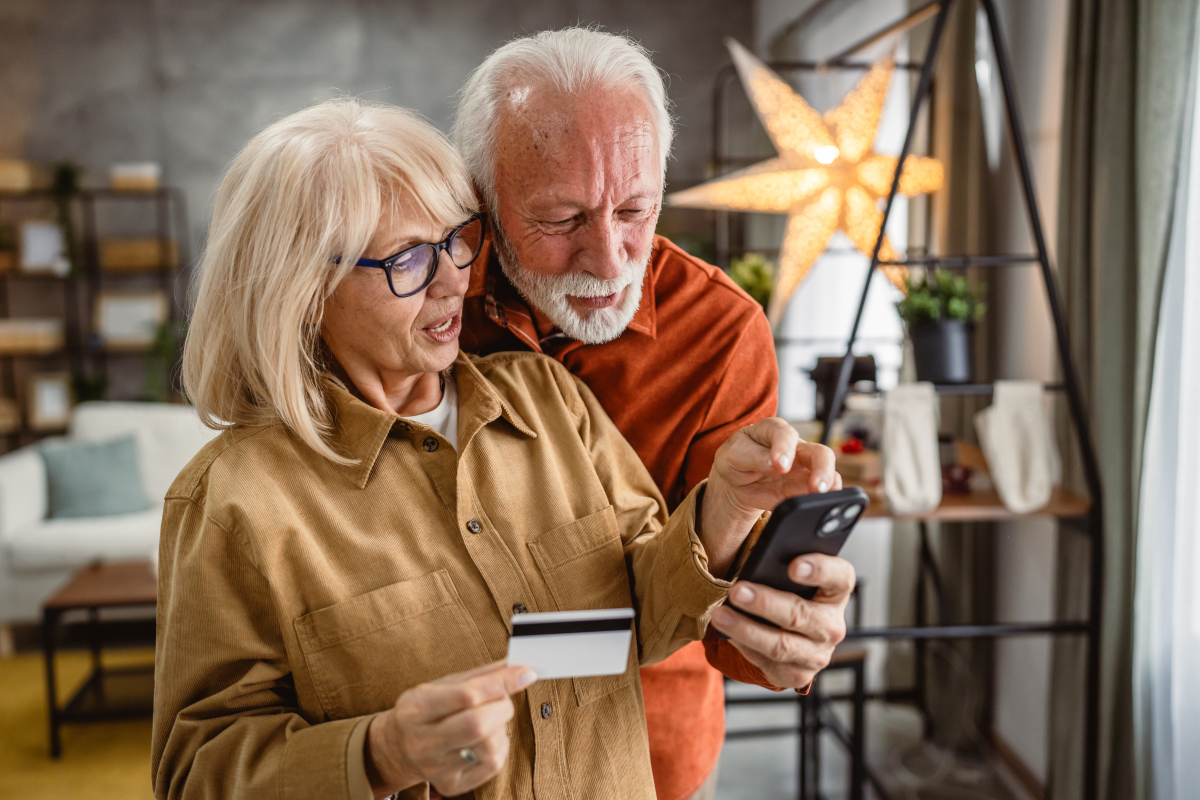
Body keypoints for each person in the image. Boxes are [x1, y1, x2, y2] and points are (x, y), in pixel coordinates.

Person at [151, 98, 843, 800]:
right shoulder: (232, 501)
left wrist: (723, 508)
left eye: (457, 239)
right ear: (302, 288)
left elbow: (634, 619)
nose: (455, 278)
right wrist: (382, 753)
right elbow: (195, 772)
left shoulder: (548, 397)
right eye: (409, 259)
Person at [453, 28, 859, 800]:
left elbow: (723, 623)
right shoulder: (425, 299)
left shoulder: (719, 331)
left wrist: (783, 626)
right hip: (460, 761)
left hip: (648, 757)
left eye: (636, 209)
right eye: (561, 220)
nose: (610, 261)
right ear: (483, 199)